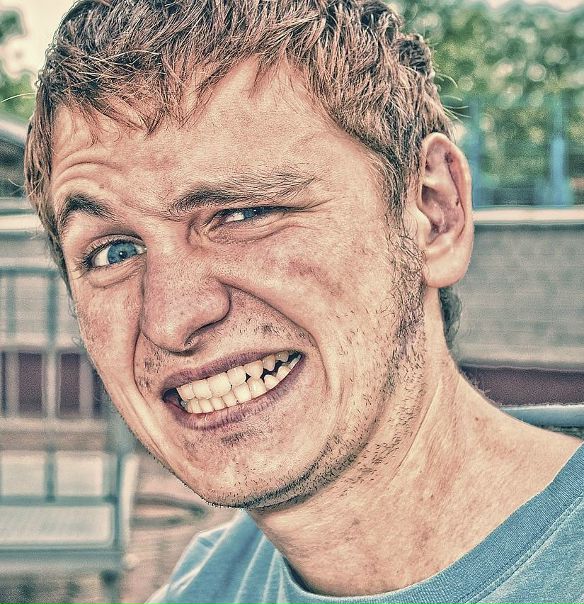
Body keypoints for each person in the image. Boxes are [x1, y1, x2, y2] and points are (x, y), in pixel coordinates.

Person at [25, 0, 583, 602]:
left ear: (434, 212)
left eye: (243, 213)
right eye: (112, 252)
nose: (171, 318)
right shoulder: (200, 588)